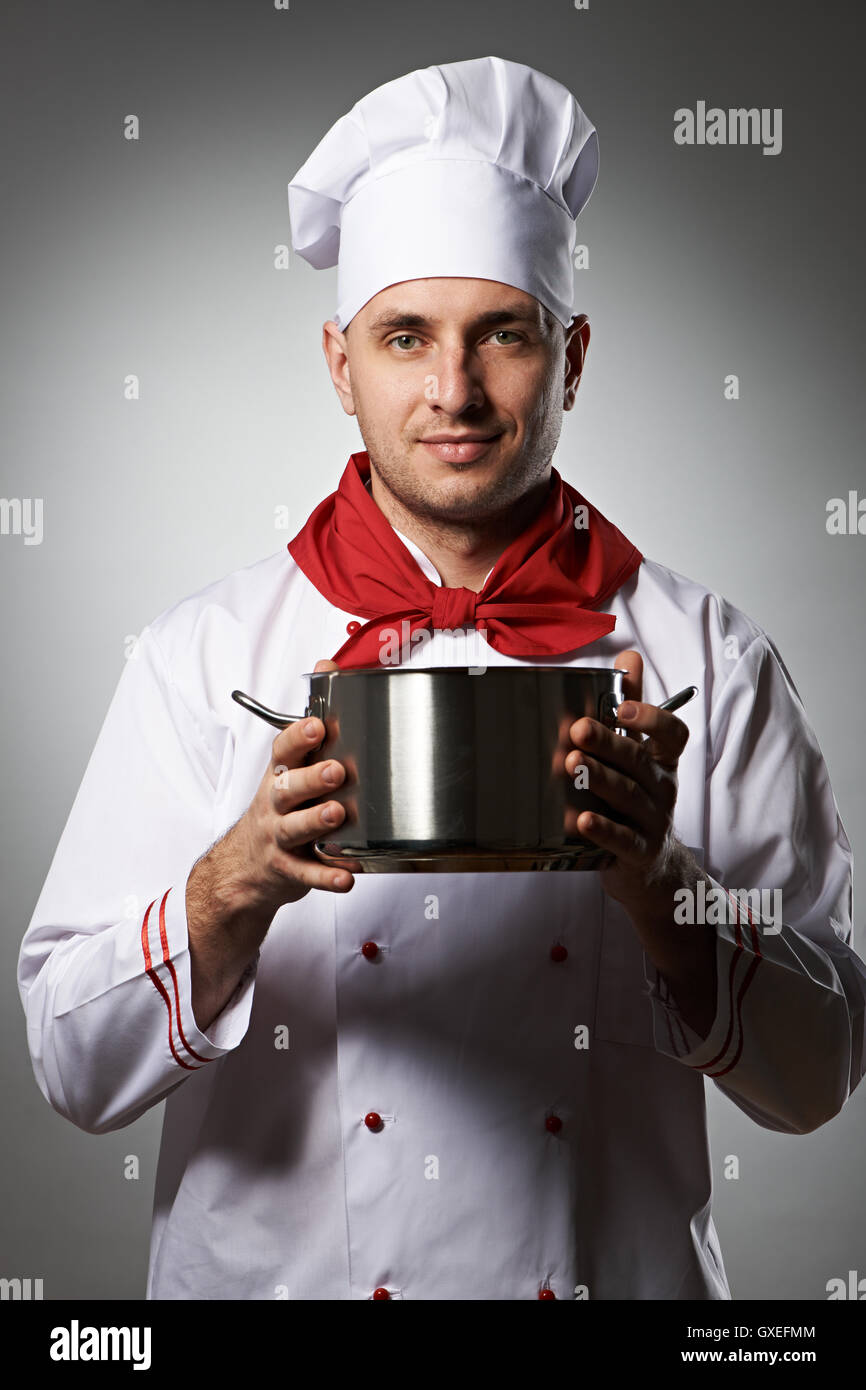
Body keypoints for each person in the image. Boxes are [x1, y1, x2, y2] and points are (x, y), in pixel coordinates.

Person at [18, 55, 866, 1301]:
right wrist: (227, 888)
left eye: (501, 336)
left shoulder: (705, 660)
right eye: (403, 337)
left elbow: (819, 1070)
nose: (452, 391)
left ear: (570, 356)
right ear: (338, 362)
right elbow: (68, 1069)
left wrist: (664, 886)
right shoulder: (203, 657)